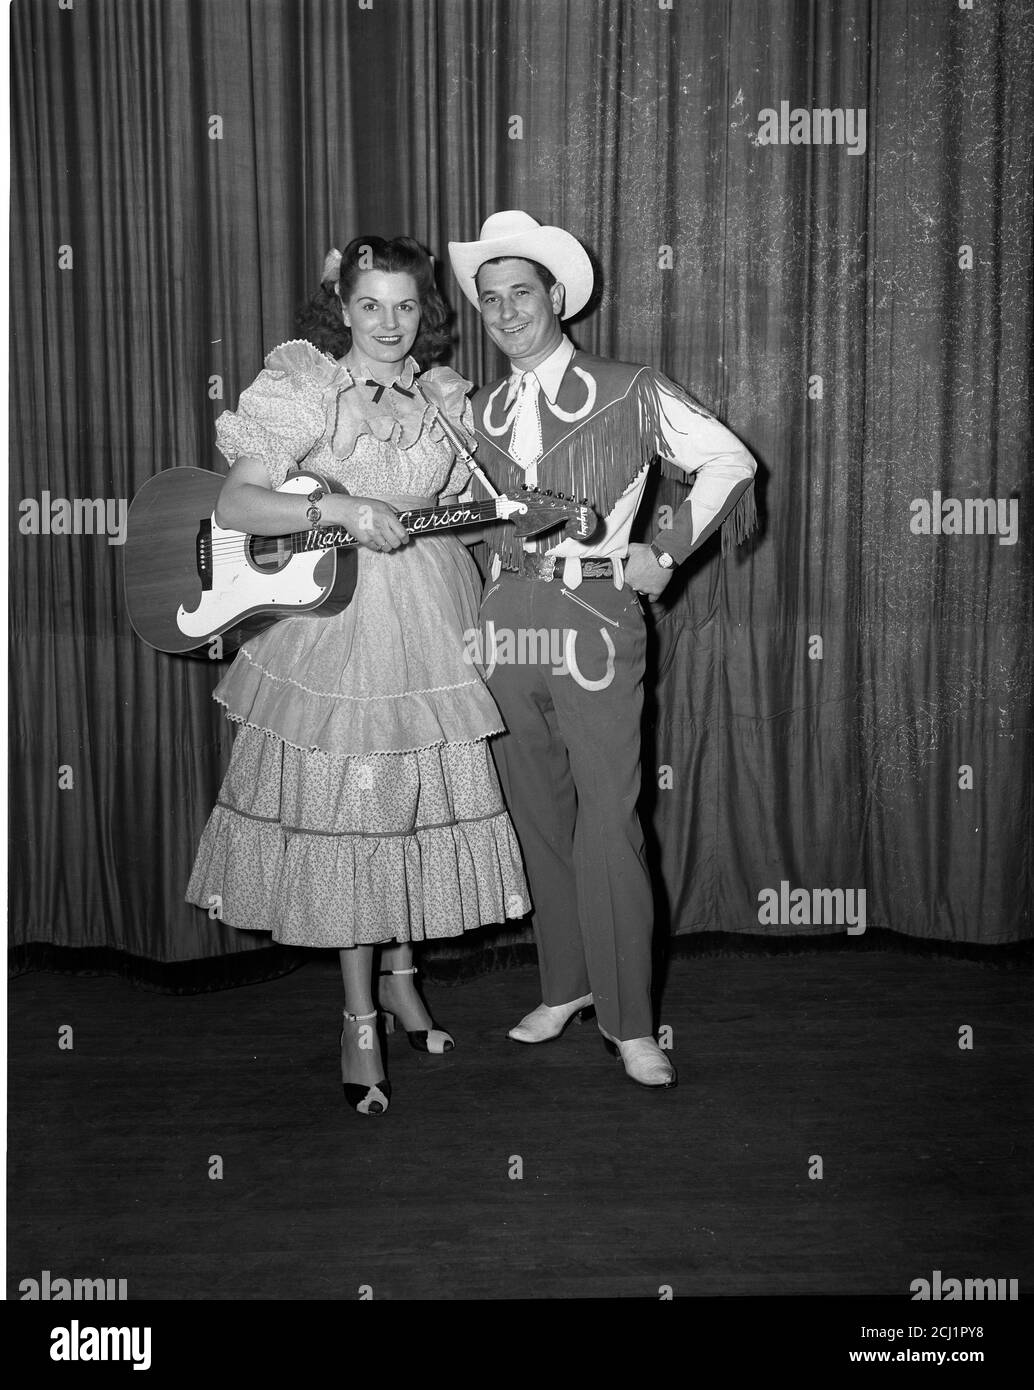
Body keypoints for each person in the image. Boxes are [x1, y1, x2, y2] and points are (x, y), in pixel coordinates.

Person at [186, 236, 530, 1116]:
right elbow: (236, 501)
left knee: (414, 801)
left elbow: (471, 508)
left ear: (427, 314)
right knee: (358, 814)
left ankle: (406, 980)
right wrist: (340, 505)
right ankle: (358, 1018)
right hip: (338, 623)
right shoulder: (305, 383)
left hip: (432, 612)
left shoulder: (443, 395)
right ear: (341, 306)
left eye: (406, 306)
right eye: (370, 305)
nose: (388, 324)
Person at [448, 211, 757, 1089]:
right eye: (492, 299)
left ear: (558, 297)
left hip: (594, 614)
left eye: (523, 293)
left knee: (609, 822)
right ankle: (566, 986)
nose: (507, 312)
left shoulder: (630, 387)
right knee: (537, 814)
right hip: (504, 615)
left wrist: (665, 549)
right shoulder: (471, 411)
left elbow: (731, 462)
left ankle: (630, 1021)